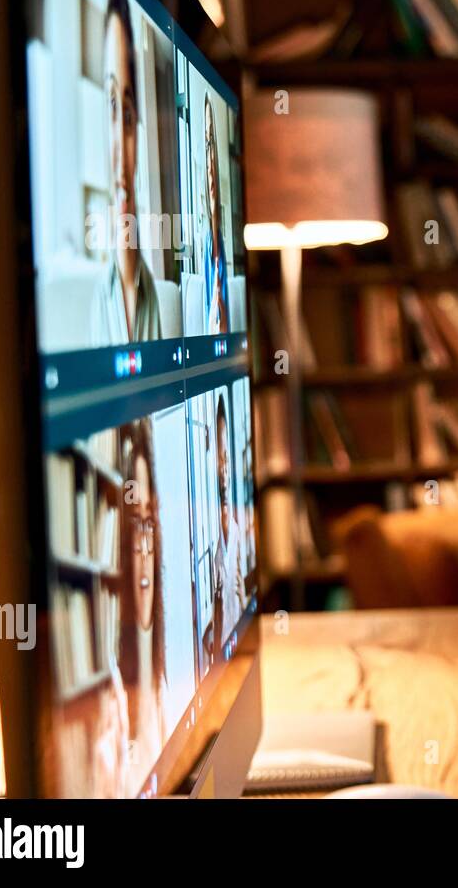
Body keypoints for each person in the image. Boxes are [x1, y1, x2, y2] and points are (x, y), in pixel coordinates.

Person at [90, 0, 162, 346]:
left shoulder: (156, 296)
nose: (119, 141)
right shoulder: (94, 303)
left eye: (129, 113)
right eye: (111, 104)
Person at [113, 417, 169, 795]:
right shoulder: (110, 699)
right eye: (134, 524)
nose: (145, 548)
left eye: (150, 522)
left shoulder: (159, 681)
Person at [209, 391, 244, 661]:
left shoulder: (235, 525)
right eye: (219, 458)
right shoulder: (209, 535)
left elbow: (239, 587)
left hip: (238, 647)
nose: (224, 468)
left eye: (227, 458)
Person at [201, 96, 230, 335]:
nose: (210, 160)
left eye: (213, 141)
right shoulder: (206, 245)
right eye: (206, 143)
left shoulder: (220, 240)